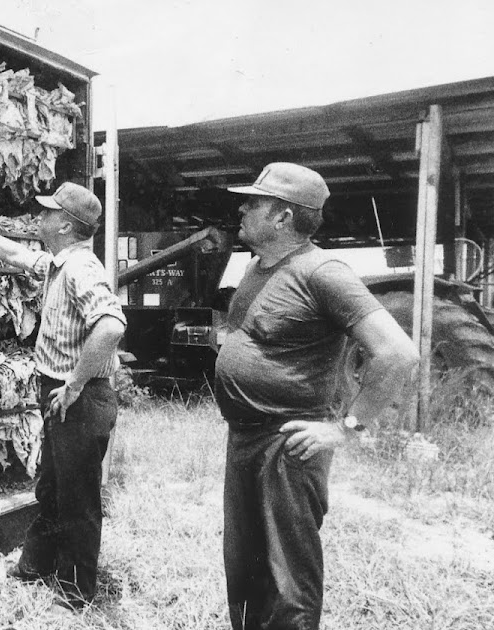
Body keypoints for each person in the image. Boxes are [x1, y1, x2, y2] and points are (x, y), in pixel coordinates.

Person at [216, 162, 419, 629]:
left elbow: (397, 354)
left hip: (287, 445)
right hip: (245, 438)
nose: (242, 208)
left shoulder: (323, 272)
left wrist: (345, 429)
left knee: (288, 579)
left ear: (284, 217)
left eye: (254, 202)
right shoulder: (255, 268)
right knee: (245, 567)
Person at [0, 182, 126, 604]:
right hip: (64, 395)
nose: (39, 217)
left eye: (47, 212)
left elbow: (112, 325)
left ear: (65, 224)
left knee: (77, 497)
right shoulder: (61, 264)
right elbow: (15, 253)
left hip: (81, 397)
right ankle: (38, 564)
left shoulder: (83, 269)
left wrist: (75, 383)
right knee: (52, 486)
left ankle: (76, 589)